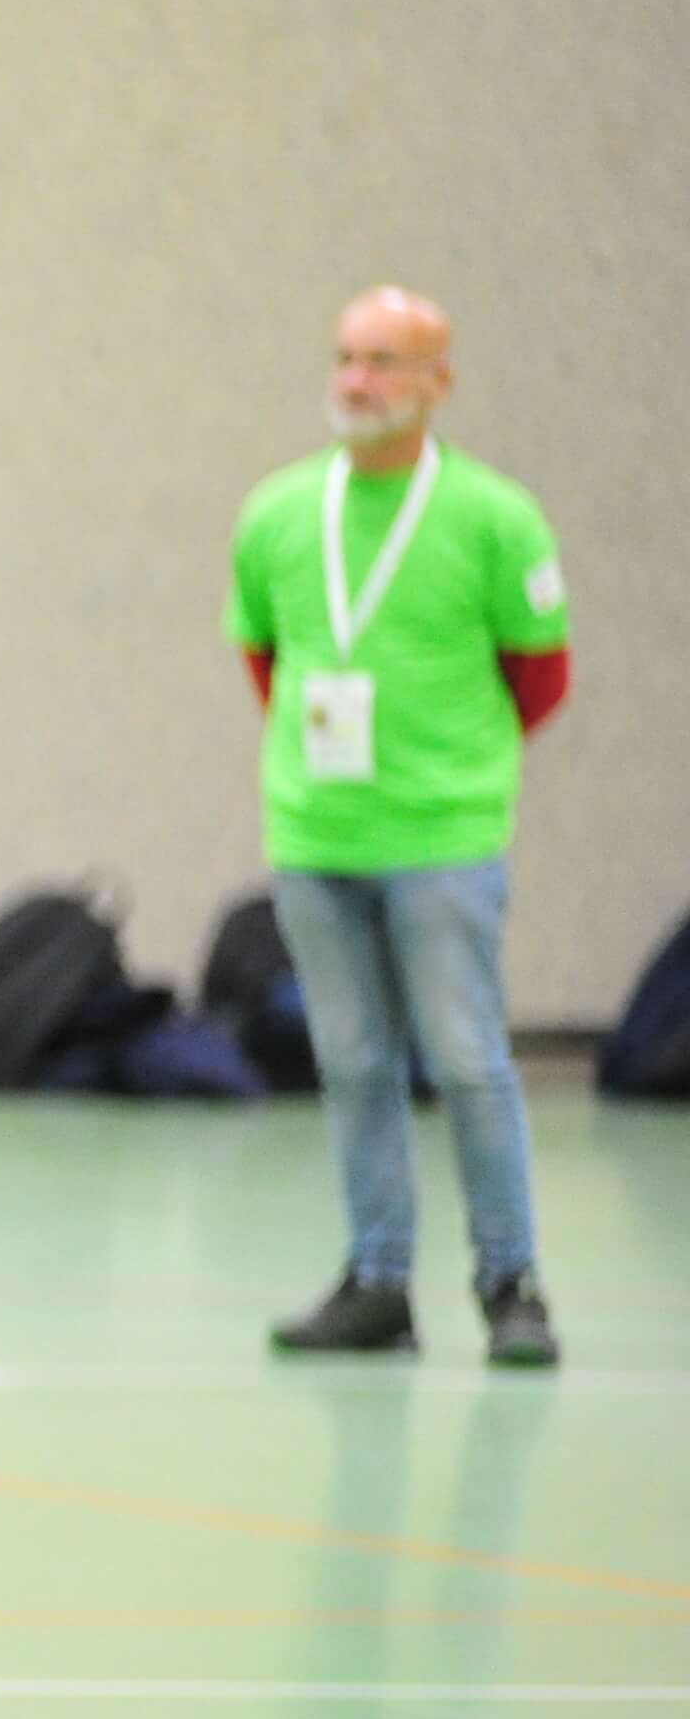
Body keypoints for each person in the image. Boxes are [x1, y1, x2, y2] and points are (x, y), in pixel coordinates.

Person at [233, 286, 572, 1366]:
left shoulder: (493, 517)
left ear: (436, 383)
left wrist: (449, 769)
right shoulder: (278, 513)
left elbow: (539, 674)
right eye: (343, 356)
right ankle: (377, 1280)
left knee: (468, 1061)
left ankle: (507, 1281)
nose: (355, 379)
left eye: (383, 360)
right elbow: (263, 658)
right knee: (351, 1062)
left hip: (442, 836)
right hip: (316, 836)